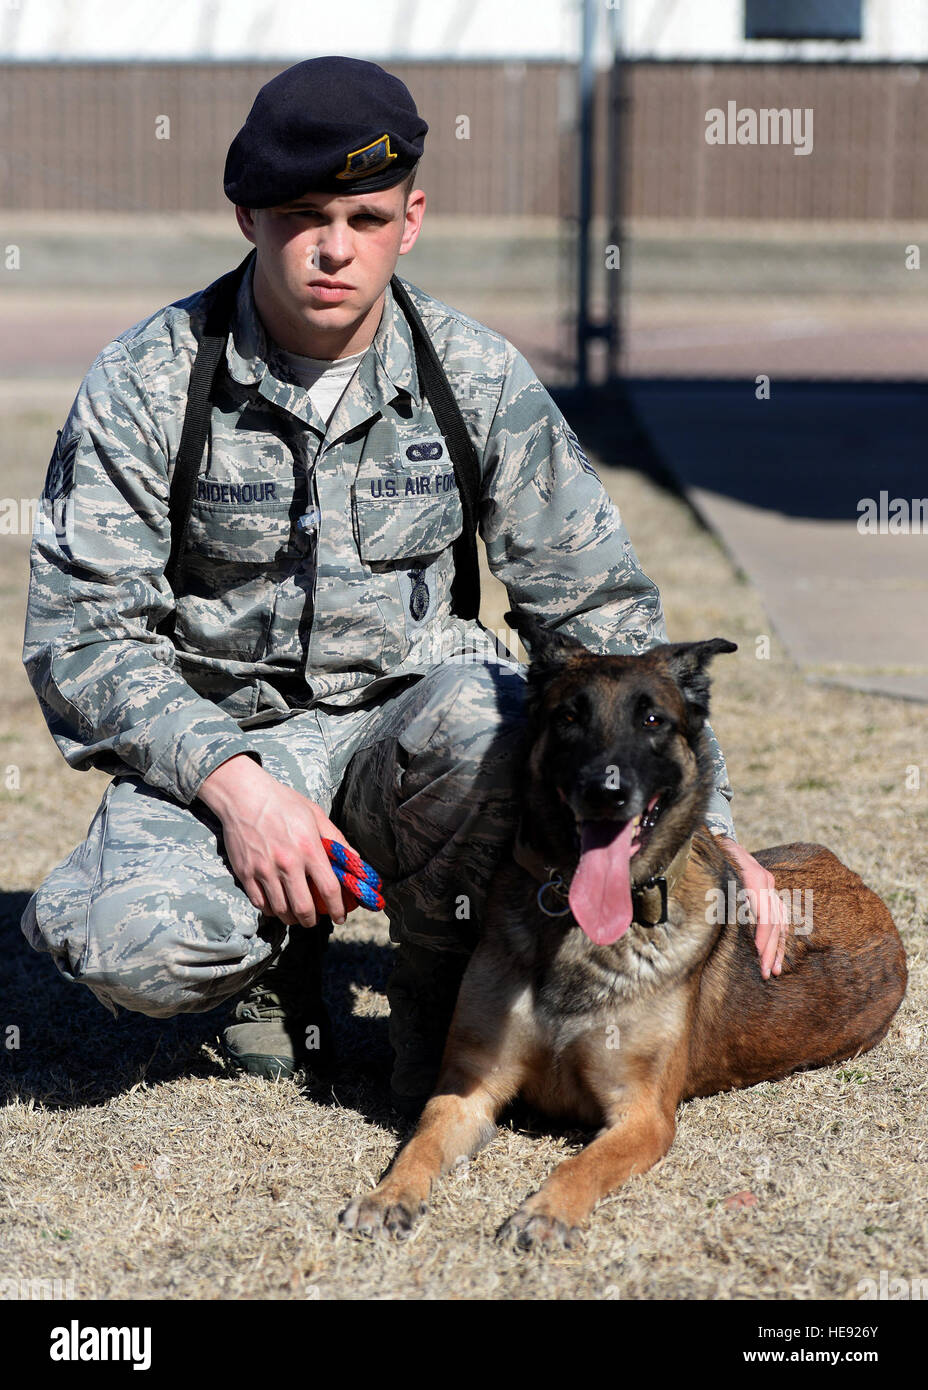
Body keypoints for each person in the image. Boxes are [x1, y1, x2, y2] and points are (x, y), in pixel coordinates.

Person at [20, 56, 786, 1115]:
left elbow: (601, 618)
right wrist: (241, 791)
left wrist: (710, 825)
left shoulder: (472, 378)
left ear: (410, 220)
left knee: (499, 720)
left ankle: (436, 993)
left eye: (365, 216)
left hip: (410, 732)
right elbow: (81, 640)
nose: (335, 247)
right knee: (132, 944)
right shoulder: (149, 380)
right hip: (226, 741)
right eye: (302, 214)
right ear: (245, 215)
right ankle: (265, 963)